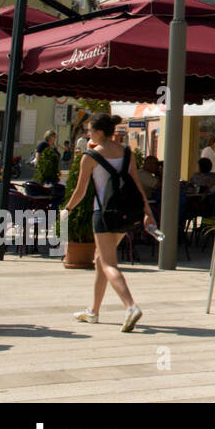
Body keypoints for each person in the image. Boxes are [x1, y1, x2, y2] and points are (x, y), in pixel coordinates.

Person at [63, 113, 154, 332]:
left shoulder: (90, 156)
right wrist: (147, 211)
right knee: (99, 260)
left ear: (100, 132)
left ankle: (130, 306)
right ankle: (93, 311)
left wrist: (67, 209)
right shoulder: (126, 152)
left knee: (108, 263)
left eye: (90, 130)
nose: (88, 133)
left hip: (104, 214)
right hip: (126, 213)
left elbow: (81, 190)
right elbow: (136, 184)